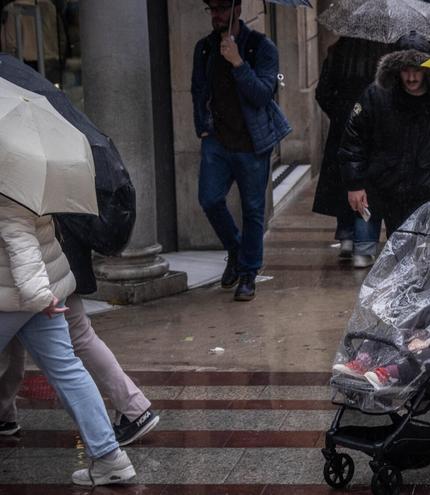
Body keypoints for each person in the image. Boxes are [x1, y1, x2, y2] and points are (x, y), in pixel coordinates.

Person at [0, 196, 136, 485]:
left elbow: (20, 240)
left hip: (19, 294)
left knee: (67, 370)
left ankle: (110, 457)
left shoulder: (6, 185)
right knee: (68, 370)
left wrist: (40, 297)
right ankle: (109, 458)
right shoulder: (28, 181)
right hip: (43, 285)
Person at [0, 216, 160, 446]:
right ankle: (5, 413)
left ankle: (128, 415)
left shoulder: (16, 201)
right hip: (45, 269)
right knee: (58, 347)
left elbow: (19, 236)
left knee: (75, 344)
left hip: (43, 273)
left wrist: (40, 296)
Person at [339, 33, 430, 266]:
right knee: (402, 253)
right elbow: (353, 141)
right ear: (396, 71)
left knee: (429, 256)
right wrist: (355, 184)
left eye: (417, 70)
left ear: (427, 70)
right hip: (391, 188)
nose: (411, 77)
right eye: (405, 71)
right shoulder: (377, 96)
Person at [192, 0, 291, 301]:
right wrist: (202, 126)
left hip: (252, 143)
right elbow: (198, 90)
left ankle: (248, 273)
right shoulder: (205, 48)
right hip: (217, 141)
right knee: (209, 199)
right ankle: (236, 250)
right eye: (212, 9)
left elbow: (262, 94)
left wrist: (238, 62)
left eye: (222, 8)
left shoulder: (262, 47)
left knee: (253, 210)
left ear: (237, 9)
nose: (217, 15)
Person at [313, 36, 394, 262]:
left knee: (345, 177)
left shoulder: (337, 50)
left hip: (342, 124)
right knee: (366, 181)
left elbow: (322, 92)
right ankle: (362, 241)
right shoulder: (385, 52)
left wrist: (340, 113)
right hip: (374, 126)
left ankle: (346, 235)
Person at [333, 319, 430, 390]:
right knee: (382, 333)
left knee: (426, 355)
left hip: (429, 350)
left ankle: (388, 375)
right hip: (414, 336)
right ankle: (361, 363)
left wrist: (428, 342)